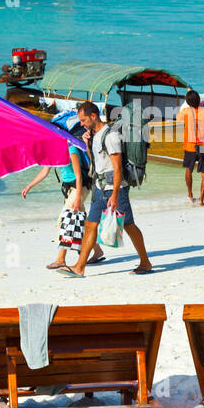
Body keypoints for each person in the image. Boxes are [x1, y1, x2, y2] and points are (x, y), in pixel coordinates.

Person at [62, 101, 152, 276]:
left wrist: (116, 195)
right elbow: (96, 162)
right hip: (99, 187)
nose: (81, 124)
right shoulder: (95, 136)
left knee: (129, 226)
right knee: (90, 225)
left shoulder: (111, 137)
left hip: (114, 189)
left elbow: (117, 167)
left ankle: (145, 262)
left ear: (93, 116)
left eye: (83, 120)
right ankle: (79, 267)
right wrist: (88, 145)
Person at [21, 114, 104, 269]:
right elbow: (44, 172)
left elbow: (79, 176)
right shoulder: (53, 150)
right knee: (83, 223)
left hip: (79, 187)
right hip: (69, 189)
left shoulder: (70, 147)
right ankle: (97, 251)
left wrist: (78, 196)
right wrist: (29, 186)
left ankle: (61, 259)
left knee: (65, 220)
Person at [177, 89, 204, 205]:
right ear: (199, 100)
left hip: (190, 147)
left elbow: (178, 118)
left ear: (188, 102)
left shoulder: (186, 112)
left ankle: (190, 194)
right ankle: (201, 200)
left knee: (189, 170)